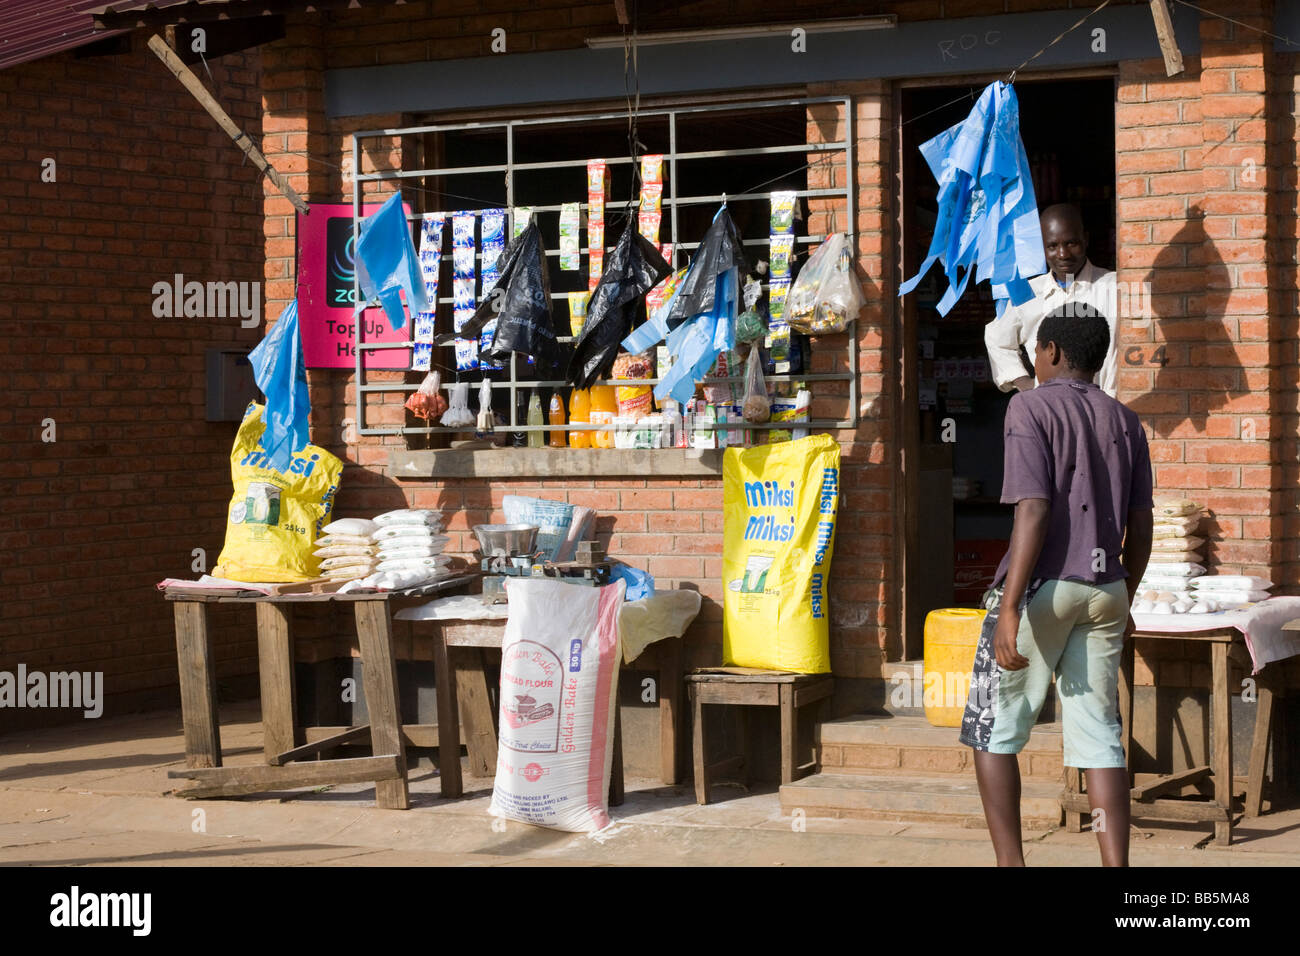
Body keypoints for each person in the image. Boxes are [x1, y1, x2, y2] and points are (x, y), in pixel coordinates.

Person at [959, 305, 1153, 867]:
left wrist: (1011, 605)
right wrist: (1126, 596)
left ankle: (1010, 865)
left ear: (1052, 354)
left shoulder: (1029, 406)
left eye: (1036, 351)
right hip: (1106, 588)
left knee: (993, 730)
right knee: (1099, 738)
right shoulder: (1125, 419)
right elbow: (1140, 527)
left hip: (1046, 586)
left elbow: (1035, 509)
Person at [984, 204, 1118, 396]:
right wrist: (1023, 381)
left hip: (1106, 409)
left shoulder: (1114, 287)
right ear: (1042, 248)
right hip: (1049, 414)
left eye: (1071, 243)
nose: (1063, 254)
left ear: (1085, 239)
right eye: (1053, 246)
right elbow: (996, 337)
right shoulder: (1028, 294)